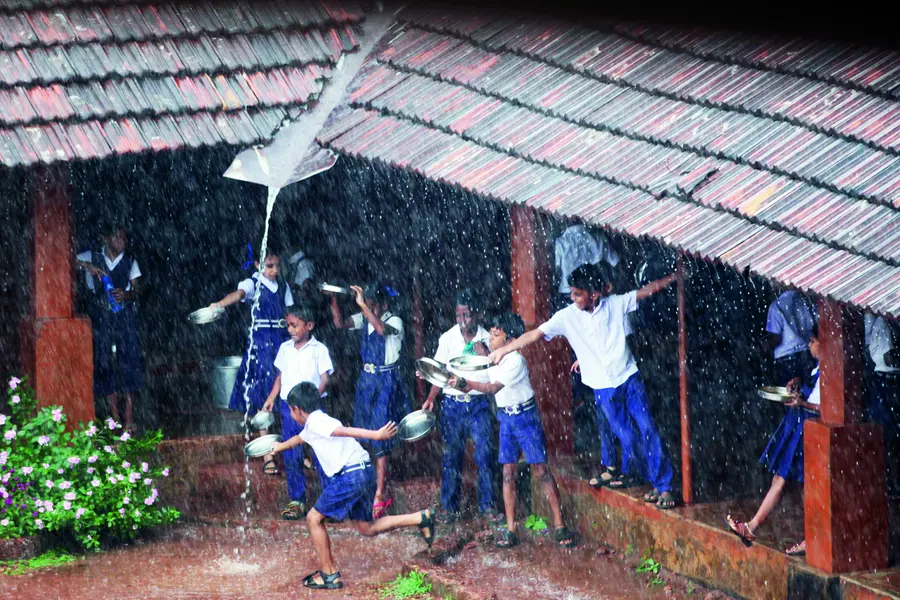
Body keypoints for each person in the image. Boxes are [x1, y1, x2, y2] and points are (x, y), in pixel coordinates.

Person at [489, 263, 679, 509]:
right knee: (628, 436)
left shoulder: (616, 304)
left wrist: (674, 277)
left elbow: (646, 291)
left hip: (629, 377)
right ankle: (651, 479)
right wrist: (505, 349)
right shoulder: (567, 317)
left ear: (595, 294)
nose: (572, 297)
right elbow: (534, 334)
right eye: (572, 292)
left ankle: (663, 486)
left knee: (647, 428)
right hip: (603, 387)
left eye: (577, 293)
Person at [271, 382, 435, 590]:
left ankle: (329, 574)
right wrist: (279, 447)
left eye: (290, 410)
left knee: (313, 518)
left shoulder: (318, 423)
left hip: (350, 475)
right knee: (367, 527)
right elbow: (299, 439)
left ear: (297, 409)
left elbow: (344, 431)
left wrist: (376, 435)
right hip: (363, 471)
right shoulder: (314, 423)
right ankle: (421, 517)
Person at [448, 313, 576, 548]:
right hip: (506, 418)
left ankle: (559, 524)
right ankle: (511, 529)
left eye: (496, 335)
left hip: (525, 417)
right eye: (492, 333)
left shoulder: (516, 360)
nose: (491, 337)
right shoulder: (493, 358)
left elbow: (491, 388)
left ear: (511, 340)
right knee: (508, 472)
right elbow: (485, 371)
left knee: (541, 470)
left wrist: (465, 384)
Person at [726, 325, 822, 556]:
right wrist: (798, 382)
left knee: (786, 480)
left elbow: (829, 408)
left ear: (824, 343)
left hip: (807, 427)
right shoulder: (820, 367)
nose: (810, 344)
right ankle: (811, 537)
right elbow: (812, 388)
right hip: (801, 425)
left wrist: (803, 404)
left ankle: (752, 527)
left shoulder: (832, 372)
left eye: (813, 340)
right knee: (794, 483)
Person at [330, 283, 411, 518]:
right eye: (368, 305)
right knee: (363, 429)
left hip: (387, 379)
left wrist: (364, 305)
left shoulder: (394, 322)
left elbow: (380, 330)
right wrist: (334, 299)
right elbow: (340, 324)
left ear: (384, 305)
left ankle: (380, 491)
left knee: (381, 430)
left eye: (374, 305)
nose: (369, 309)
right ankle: (366, 481)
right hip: (367, 379)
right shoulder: (364, 318)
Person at [210, 250, 293, 473]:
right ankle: (267, 455)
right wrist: (218, 304)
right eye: (269, 266)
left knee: (287, 394)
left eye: (277, 265)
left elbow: (291, 314)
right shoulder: (251, 283)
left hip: (282, 342)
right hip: (261, 346)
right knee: (262, 398)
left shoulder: (284, 286)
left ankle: (293, 452)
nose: (274, 270)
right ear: (257, 264)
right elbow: (237, 295)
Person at [421, 290, 498, 523]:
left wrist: (488, 354)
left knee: (484, 455)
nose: (463, 321)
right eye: (458, 315)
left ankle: (488, 508)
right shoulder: (448, 338)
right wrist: (432, 397)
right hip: (453, 404)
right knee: (451, 456)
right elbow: (439, 372)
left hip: (479, 404)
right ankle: (449, 508)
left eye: (467, 315)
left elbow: (500, 373)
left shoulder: (489, 338)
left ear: (478, 314)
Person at [262, 305, 333, 519]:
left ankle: (328, 502)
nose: (291, 330)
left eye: (295, 325)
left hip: (312, 409)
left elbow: (325, 379)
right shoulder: (285, 348)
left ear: (309, 326)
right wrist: (271, 398)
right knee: (292, 454)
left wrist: (311, 399)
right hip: (288, 408)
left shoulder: (319, 349)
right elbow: (280, 377)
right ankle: (297, 501)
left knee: (321, 451)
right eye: (289, 325)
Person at [76, 223, 144, 431]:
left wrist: (127, 294)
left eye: (124, 239)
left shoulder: (130, 262)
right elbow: (67, 260)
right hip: (101, 316)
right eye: (118, 238)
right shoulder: (92, 256)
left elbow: (138, 290)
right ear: (106, 239)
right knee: (105, 362)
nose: (122, 243)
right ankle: (114, 416)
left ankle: (129, 417)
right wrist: (88, 267)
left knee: (129, 361)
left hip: (124, 317)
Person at [865, 313, 900, 497]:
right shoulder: (884, 323)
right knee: (889, 435)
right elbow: (889, 359)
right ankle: (889, 483)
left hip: (887, 382)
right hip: (886, 382)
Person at [765, 290, 817, 386]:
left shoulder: (776, 306)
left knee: (789, 395)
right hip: (807, 355)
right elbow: (814, 326)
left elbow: (777, 339)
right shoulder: (805, 302)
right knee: (807, 393)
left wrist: (764, 345)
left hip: (786, 360)